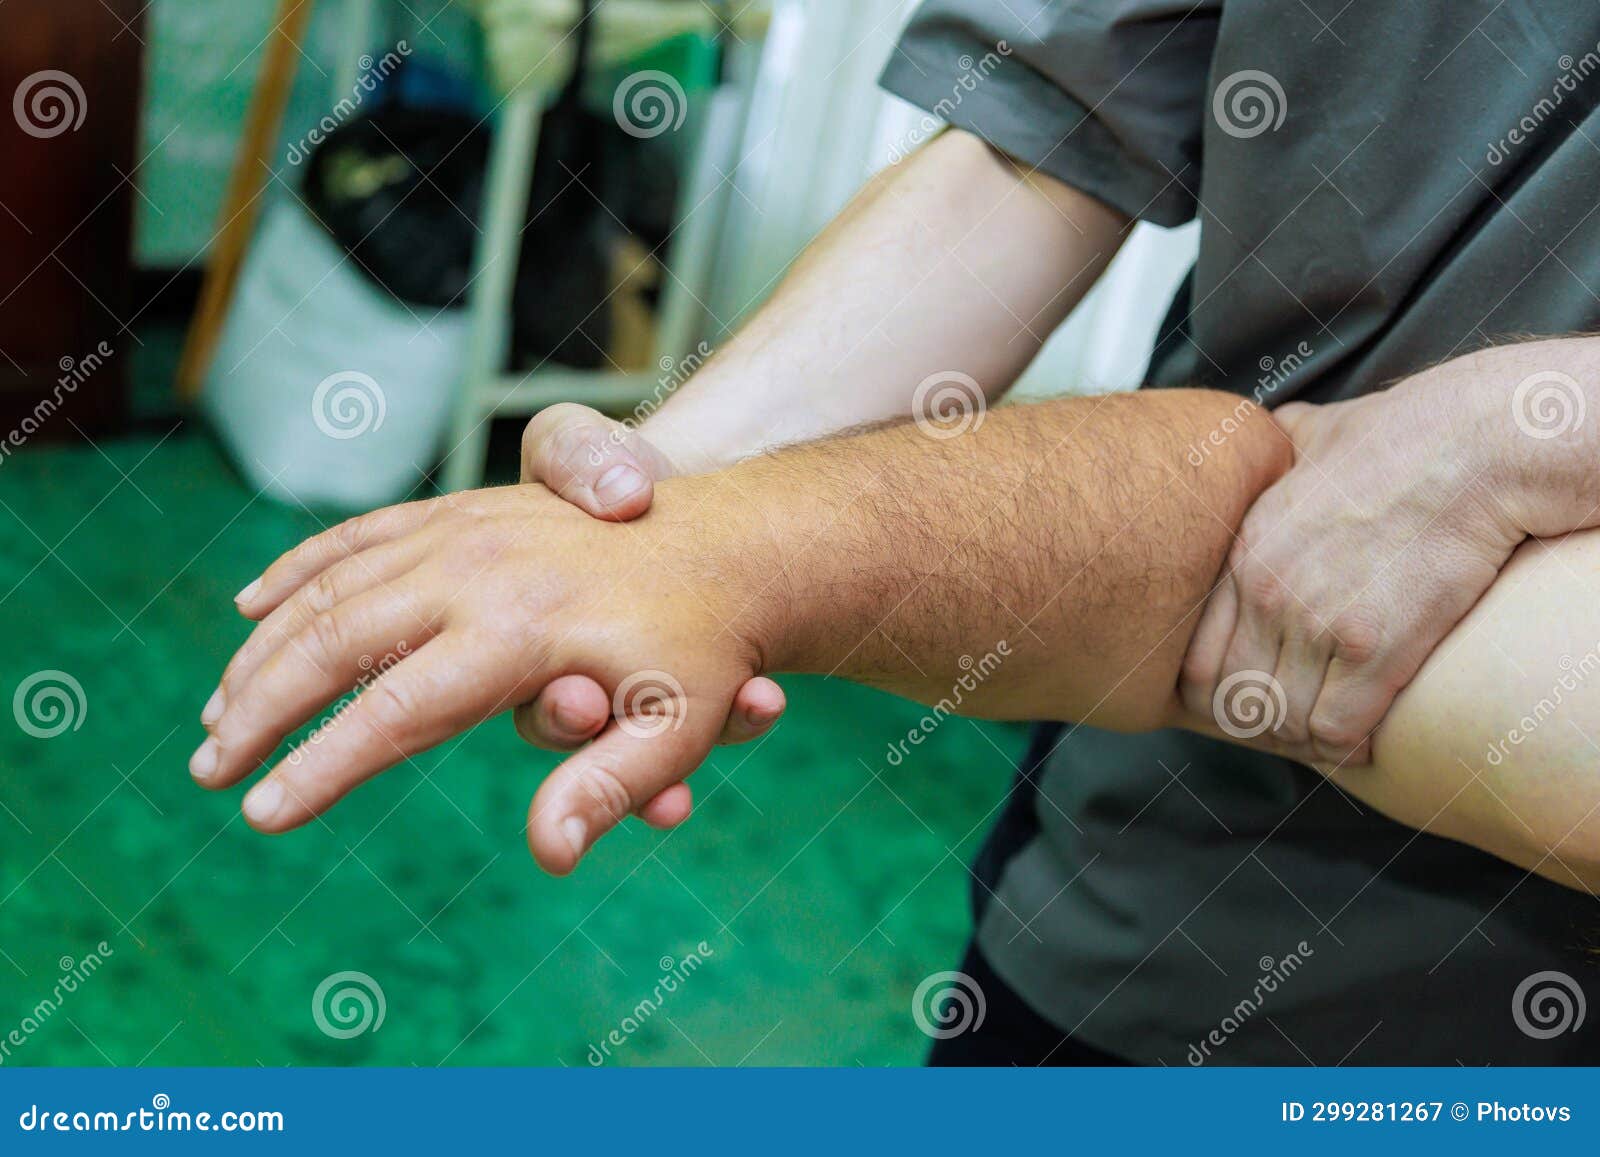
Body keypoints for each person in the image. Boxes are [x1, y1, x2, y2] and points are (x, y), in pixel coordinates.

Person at [196, 3, 1600, 1064]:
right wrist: (660, 501)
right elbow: (1045, 141)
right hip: (1182, 916)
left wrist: (1516, 434)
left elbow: (1238, 545)